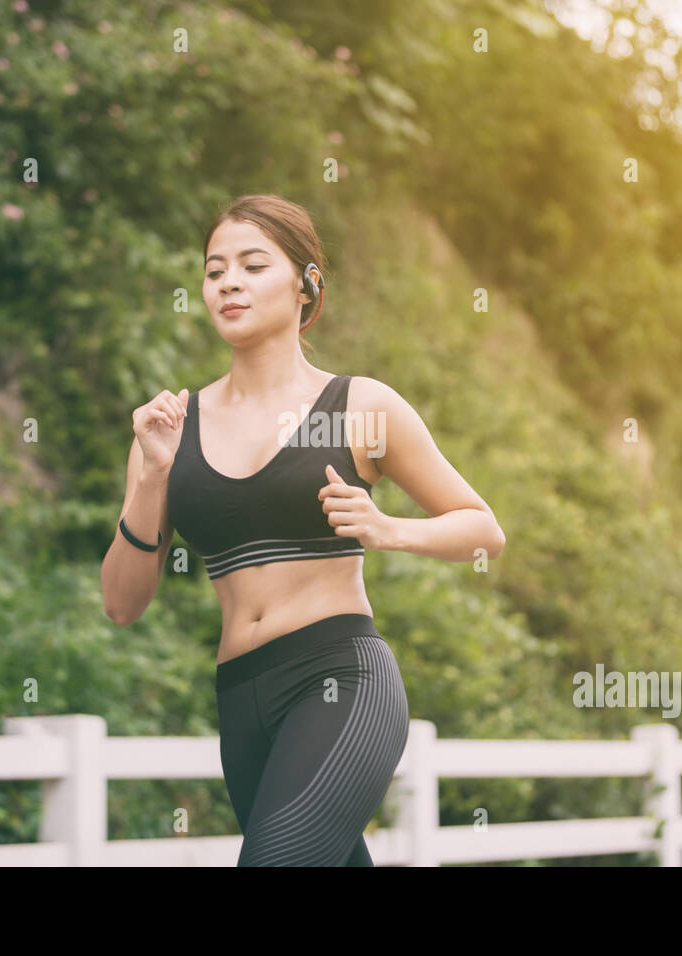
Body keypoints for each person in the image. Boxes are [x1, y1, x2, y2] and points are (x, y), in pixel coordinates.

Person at [101, 194, 506, 866]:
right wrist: (150, 477)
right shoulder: (173, 428)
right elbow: (122, 604)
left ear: (304, 284)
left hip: (342, 683)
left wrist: (386, 529)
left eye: (252, 265)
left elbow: (482, 529)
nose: (228, 281)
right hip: (241, 703)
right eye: (214, 270)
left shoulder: (359, 406)